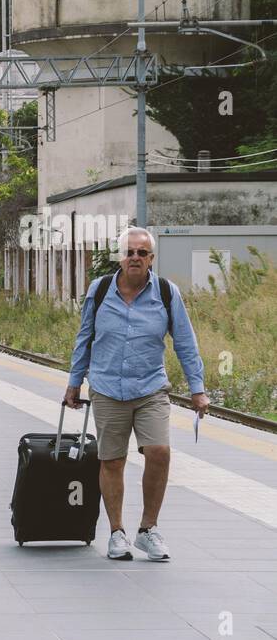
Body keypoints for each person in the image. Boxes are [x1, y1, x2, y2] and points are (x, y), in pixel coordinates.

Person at [64, 227, 207, 562]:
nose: (135, 258)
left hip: (150, 389)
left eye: (142, 253)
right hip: (108, 388)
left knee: (159, 452)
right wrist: (74, 382)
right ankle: (117, 532)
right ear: (120, 256)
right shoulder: (99, 290)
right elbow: (84, 338)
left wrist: (197, 389)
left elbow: (186, 343)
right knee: (112, 460)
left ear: (151, 259)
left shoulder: (166, 293)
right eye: (130, 252)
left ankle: (148, 530)